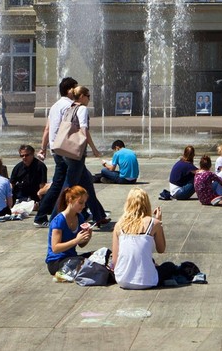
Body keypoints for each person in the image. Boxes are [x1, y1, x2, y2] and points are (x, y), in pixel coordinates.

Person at [35, 78, 108, 228]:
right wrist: (93, 148)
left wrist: (45, 147)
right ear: (79, 95)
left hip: (60, 149)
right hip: (73, 152)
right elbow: (83, 130)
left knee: (86, 182)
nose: (89, 99)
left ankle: (98, 216)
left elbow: (48, 129)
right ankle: (54, 219)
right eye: (88, 96)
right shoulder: (78, 108)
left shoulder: (58, 106)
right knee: (67, 186)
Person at [111, 188, 169, 289]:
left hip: (122, 279)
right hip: (148, 281)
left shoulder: (119, 225)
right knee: (169, 266)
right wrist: (159, 222)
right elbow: (161, 249)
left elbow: (115, 261)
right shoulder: (153, 223)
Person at [45, 185, 93, 275]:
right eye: (80, 203)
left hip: (72, 257)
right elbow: (55, 248)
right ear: (71, 200)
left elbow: (81, 245)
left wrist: (88, 236)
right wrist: (76, 240)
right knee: (82, 261)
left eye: (84, 203)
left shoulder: (80, 217)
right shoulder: (59, 221)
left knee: (100, 253)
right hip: (56, 261)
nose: (83, 206)